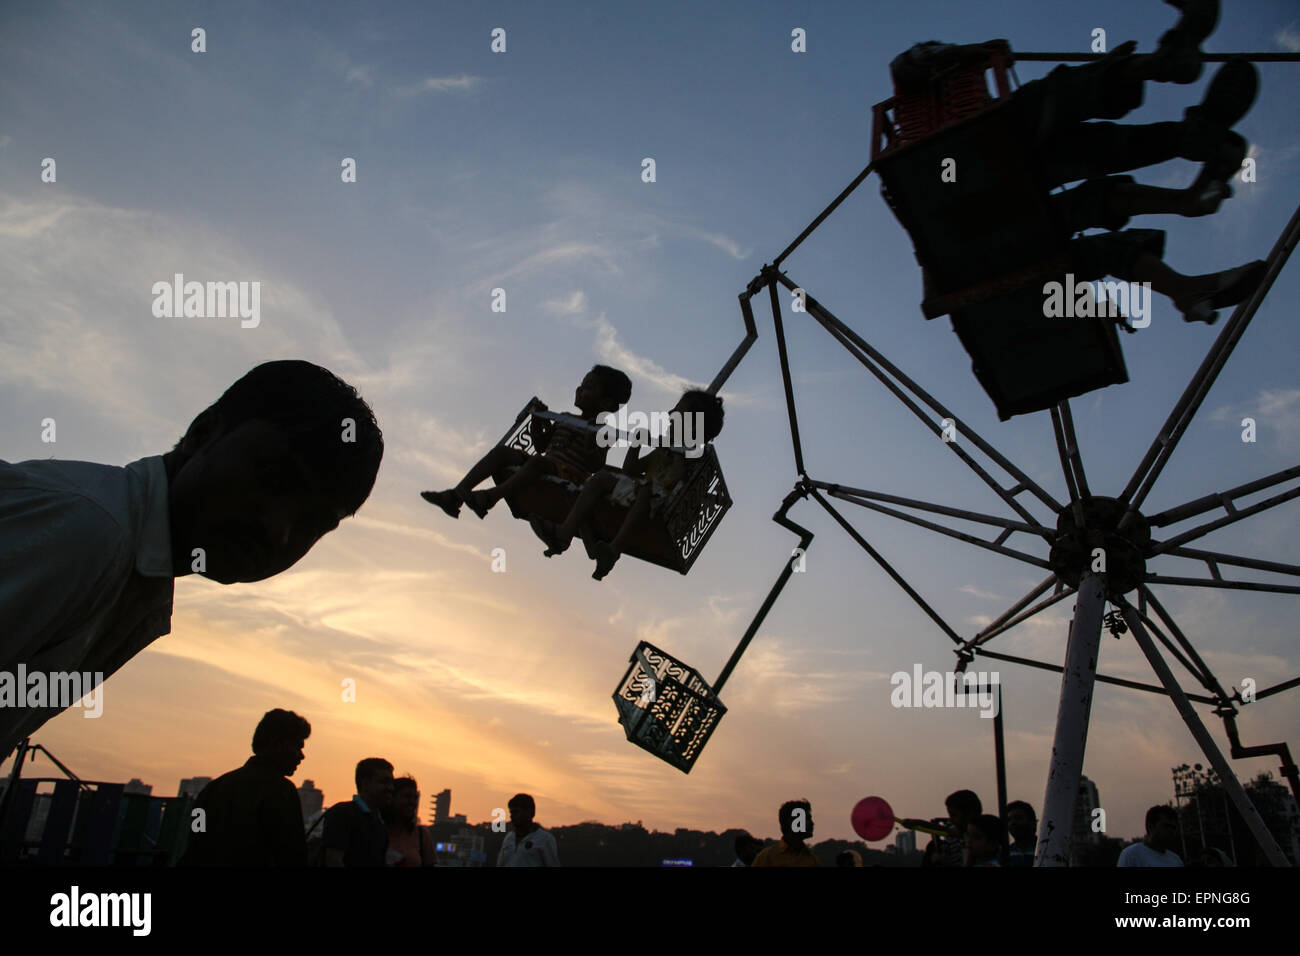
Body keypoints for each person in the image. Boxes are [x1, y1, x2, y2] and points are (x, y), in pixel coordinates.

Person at [0, 360, 384, 761]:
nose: (280, 531)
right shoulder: (91, 532)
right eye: (274, 478)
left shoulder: (134, 565)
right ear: (203, 434)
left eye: (312, 523)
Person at [890, 1, 1267, 324]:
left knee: (1085, 177)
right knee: (1047, 104)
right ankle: (1161, 71)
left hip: (998, 231)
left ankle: (1187, 272)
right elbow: (908, 65)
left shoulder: (978, 129)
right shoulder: (936, 125)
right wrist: (970, 52)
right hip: (962, 192)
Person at [536, 389, 725, 579]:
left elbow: (675, 478)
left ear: (691, 428)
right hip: (638, 493)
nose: (669, 415)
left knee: (647, 490)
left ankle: (613, 550)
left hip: (662, 507)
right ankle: (563, 533)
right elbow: (631, 469)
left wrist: (676, 450)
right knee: (600, 479)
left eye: (677, 412)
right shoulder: (662, 451)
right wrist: (637, 444)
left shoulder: (692, 456)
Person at [421, 365, 633, 520]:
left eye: (588, 388)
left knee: (538, 463)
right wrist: (536, 421)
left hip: (570, 477)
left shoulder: (604, 431)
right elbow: (541, 445)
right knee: (503, 453)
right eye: (581, 385)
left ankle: (491, 497)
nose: (579, 390)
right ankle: (456, 494)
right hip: (545, 465)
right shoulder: (566, 417)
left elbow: (595, 465)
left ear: (605, 402)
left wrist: (590, 442)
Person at [180, 709, 311, 866]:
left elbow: (195, 842)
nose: (301, 756)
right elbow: (291, 854)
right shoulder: (281, 791)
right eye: (297, 747)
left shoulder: (211, 790)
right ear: (277, 744)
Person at [321, 758, 395, 867]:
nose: (391, 788)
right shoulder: (343, 813)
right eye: (384, 782)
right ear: (365, 784)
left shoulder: (379, 824)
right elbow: (333, 860)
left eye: (391, 783)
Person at [386, 775, 438, 867]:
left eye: (415, 798)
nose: (412, 802)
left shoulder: (421, 835)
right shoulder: (375, 830)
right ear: (392, 798)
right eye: (407, 796)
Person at [496, 793, 560, 866]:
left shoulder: (545, 839)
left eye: (516, 812)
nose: (512, 816)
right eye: (511, 812)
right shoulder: (508, 838)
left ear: (529, 812)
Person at [751, 799, 820, 867]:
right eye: (806, 818)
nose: (812, 823)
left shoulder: (812, 861)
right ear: (791, 821)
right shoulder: (767, 858)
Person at [926, 790, 981, 867]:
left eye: (954, 815)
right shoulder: (952, 839)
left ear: (969, 814)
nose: (951, 820)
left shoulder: (980, 841)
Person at [1117, 805, 1184, 867]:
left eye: (1173, 828)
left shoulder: (1176, 860)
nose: (1170, 831)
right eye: (1166, 826)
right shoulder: (1132, 855)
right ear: (1151, 826)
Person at [1004, 800, 1037, 867]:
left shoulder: (1045, 848)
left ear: (1032, 822)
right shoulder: (1004, 853)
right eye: (1009, 820)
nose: (1013, 823)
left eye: (1018, 818)